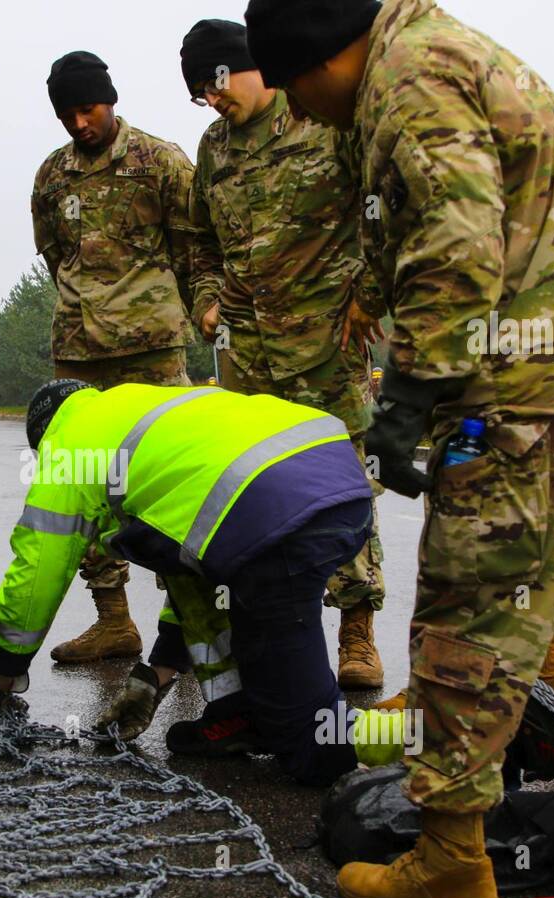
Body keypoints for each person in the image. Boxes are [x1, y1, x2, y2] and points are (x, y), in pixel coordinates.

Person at [245, 0, 554, 898]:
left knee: (470, 618)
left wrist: (411, 395)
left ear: (315, 58)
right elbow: (424, 225)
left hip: (529, 394)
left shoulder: (406, 76)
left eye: (296, 86)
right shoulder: (446, 49)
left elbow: (459, 243)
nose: (301, 112)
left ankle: (452, 863)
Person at [0, 379, 404, 785]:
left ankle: (440, 737)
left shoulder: (68, 448)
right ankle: (248, 712)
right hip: (335, 479)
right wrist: (156, 672)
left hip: (279, 517)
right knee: (256, 634)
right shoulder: (131, 410)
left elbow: (36, 575)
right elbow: (193, 576)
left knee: (315, 743)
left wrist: (1, 674)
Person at [181, 17, 388, 690]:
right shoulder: (213, 150)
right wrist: (206, 299)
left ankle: (357, 630)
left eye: (213, 84)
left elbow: (383, 206)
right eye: (197, 95)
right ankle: (274, 638)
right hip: (248, 354)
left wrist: (370, 294)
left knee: (341, 487)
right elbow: (198, 242)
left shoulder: (321, 119)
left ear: (246, 64)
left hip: (326, 343)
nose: (211, 101)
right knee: (262, 492)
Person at [31, 51, 200, 667]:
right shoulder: (52, 176)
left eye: (88, 107)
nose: (79, 122)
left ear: (111, 98)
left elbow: (192, 248)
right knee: (85, 487)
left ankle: (184, 627)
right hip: (79, 354)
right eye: (67, 112)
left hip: (153, 351)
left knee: (168, 484)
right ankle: (113, 622)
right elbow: (53, 255)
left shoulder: (161, 162)